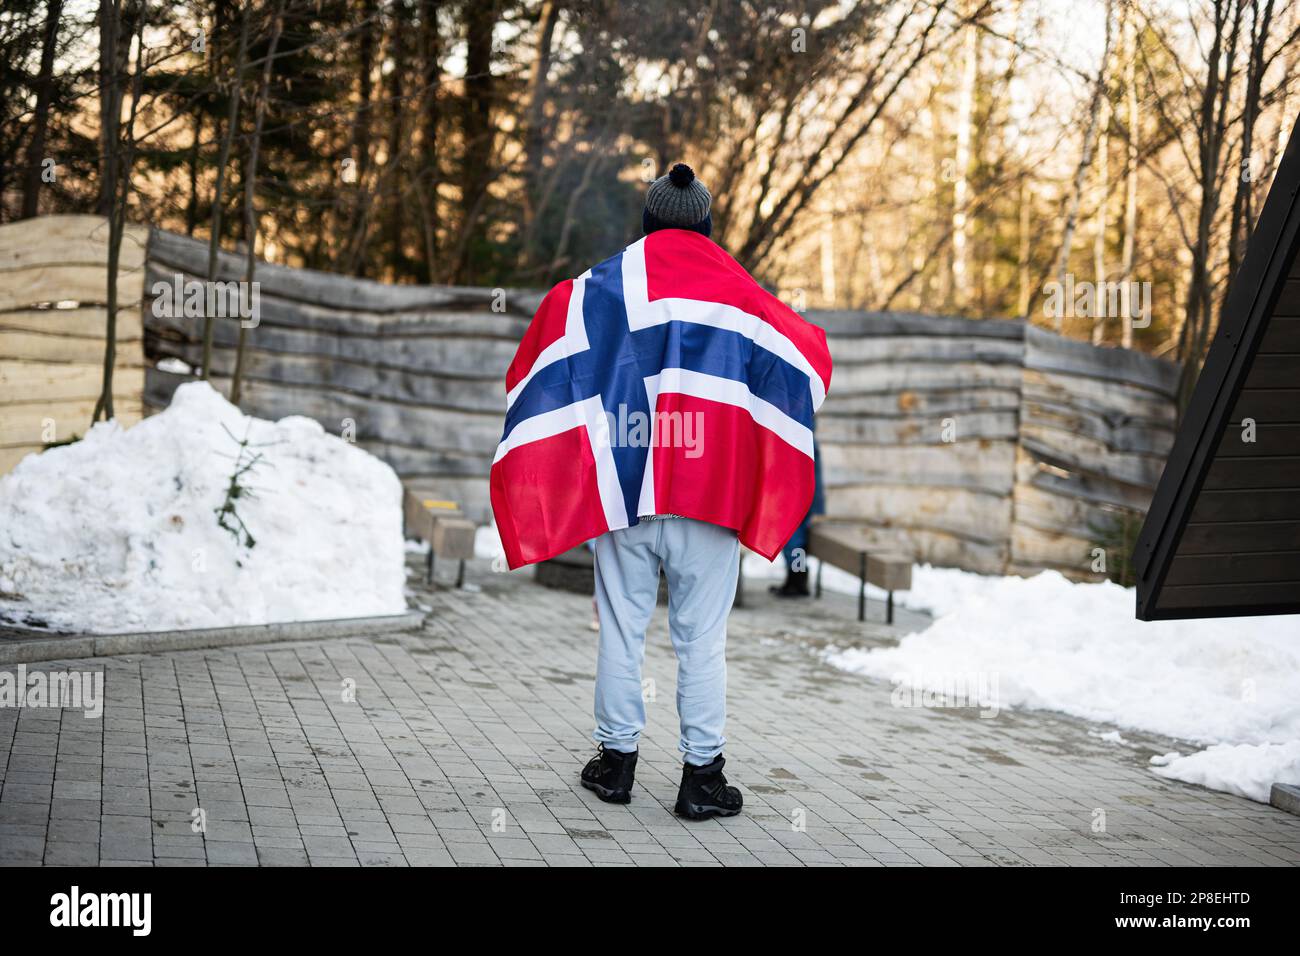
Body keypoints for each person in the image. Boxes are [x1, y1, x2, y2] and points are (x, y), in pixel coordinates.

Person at [579, 165, 745, 820]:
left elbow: (566, 358)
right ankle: (701, 779)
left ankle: (615, 766)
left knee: (622, 627)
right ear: (705, 225)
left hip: (627, 486)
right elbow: (790, 362)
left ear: (648, 222)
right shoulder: (738, 292)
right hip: (707, 492)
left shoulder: (608, 284)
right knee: (701, 638)